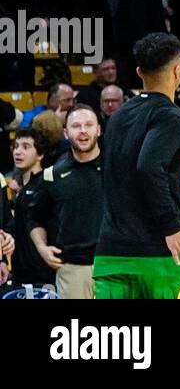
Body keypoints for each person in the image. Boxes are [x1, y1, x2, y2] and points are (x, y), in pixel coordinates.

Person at [93, 33, 180, 299]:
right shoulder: (171, 116)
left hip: (111, 255)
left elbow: (125, 177)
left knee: (117, 342)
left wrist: (176, 179)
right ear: (178, 70)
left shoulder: (118, 116)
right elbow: (147, 167)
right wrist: (171, 226)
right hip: (158, 255)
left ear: (139, 72)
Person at [29, 104, 103, 299]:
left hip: (116, 265)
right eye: (76, 126)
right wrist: (41, 247)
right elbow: (34, 217)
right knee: (76, 330)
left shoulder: (117, 168)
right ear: (65, 133)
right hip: (72, 270)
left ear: (99, 129)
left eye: (88, 124)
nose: (83, 131)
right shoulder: (52, 175)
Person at [5, 129, 55, 288]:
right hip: (21, 275)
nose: (18, 151)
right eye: (16, 146)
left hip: (43, 277)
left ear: (40, 155)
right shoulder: (21, 189)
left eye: (26, 147)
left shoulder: (47, 186)